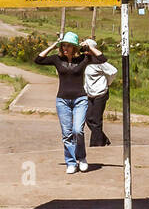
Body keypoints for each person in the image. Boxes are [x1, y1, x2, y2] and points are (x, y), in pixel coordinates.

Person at [34, 32, 106, 174]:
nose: (65, 48)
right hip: (62, 101)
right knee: (66, 134)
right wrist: (54, 45)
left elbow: (102, 58)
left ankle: (82, 158)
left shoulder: (84, 59)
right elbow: (38, 60)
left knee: (77, 130)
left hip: (80, 99)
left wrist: (89, 47)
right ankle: (71, 162)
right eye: (63, 45)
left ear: (75, 47)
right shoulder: (56, 59)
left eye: (68, 46)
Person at [82, 47, 117, 147]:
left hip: (100, 94)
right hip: (89, 94)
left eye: (87, 50)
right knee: (88, 118)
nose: (85, 52)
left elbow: (113, 71)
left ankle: (95, 145)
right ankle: (103, 138)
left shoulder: (100, 63)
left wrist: (107, 83)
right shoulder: (86, 63)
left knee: (96, 120)